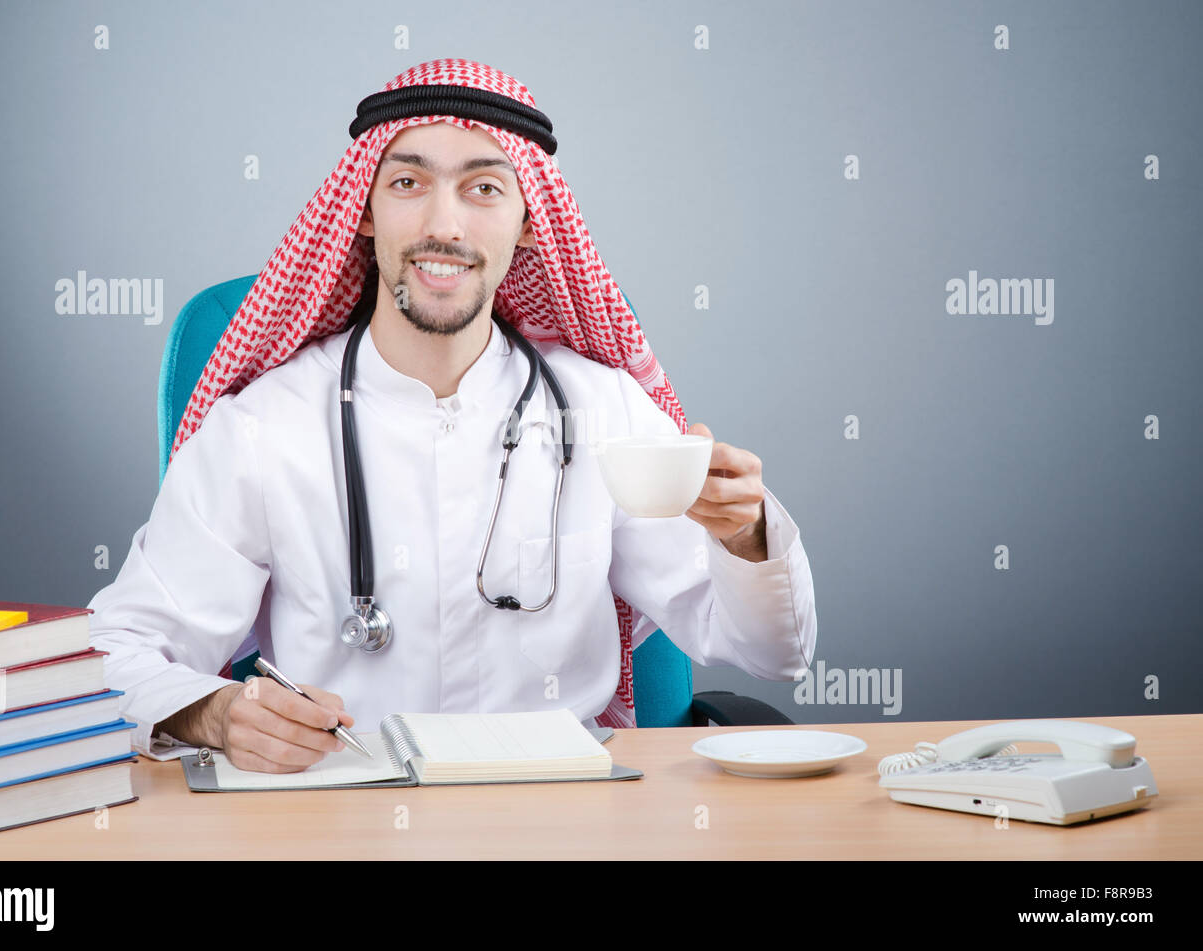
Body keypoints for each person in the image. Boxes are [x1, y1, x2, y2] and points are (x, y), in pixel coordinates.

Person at [87, 59, 817, 773]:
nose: (444, 224)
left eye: (484, 188)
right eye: (408, 183)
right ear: (364, 213)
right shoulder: (263, 427)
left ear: (531, 225)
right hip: (338, 822)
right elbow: (117, 651)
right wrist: (213, 712)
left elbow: (773, 653)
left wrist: (747, 536)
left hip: (567, 822)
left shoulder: (603, 410)